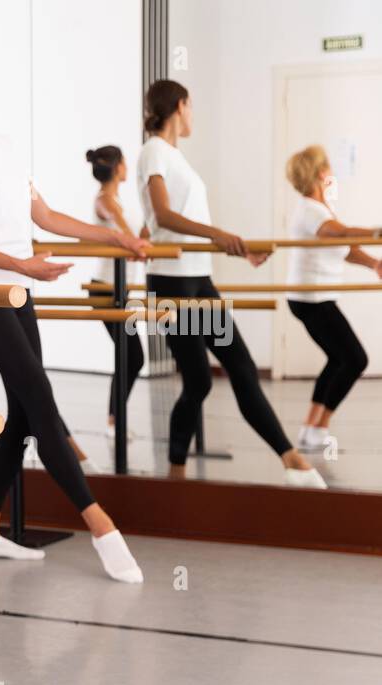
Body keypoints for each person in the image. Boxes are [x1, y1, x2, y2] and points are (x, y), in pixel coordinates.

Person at [0, 53, 145, 583]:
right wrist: (19, 263)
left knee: (25, 413)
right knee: (42, 401)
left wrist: (114, 236)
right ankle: (102, 526)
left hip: (18, 294)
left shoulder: (5, 148)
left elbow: (43, 216)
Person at [137, 79, 325, 486]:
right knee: (200, 380)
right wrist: (218, 234)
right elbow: (163, 216)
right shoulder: (154, 150)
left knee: (238, 367)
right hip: (172, 286)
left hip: (196, 280)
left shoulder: (172, 156)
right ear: (180, 106)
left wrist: (235, 247)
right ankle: (177, 473)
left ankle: (288, 458)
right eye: (191, 107)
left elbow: (155, 225)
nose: (192, 115)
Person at [283, 144, 378, 450]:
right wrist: (377, 233)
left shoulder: (320, 209)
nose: (332, 173)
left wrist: (374, 263)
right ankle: (319, 429)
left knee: (338, 359)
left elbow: (345, 248)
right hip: (312, 300)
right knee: (355, 359)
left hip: (315, 298)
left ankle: (311, 430)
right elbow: (337, 234)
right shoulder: (312, 210)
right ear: (321, 173)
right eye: (328, 167)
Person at [86, 145, 145, 438]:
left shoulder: (118, 199)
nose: (127, 166)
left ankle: (114, 419)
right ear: (117, 166)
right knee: (131, 357)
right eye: (124, 162)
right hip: (106, 290)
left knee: (131, 356)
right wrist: (135, 241)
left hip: (122, 289)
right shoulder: (105, 199)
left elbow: (137, 235)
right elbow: (124, 234)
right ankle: (114, 421)